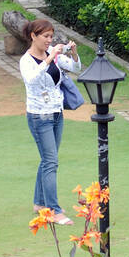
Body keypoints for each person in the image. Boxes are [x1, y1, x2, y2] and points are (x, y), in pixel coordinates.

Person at [20, 18, 81, 226]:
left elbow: (75, 67)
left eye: (51, 36)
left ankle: (39, 203)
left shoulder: (52, 56)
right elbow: (32, 80)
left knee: (47, 160)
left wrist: (72, 52)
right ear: (33, 36)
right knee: (50, 162)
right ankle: (53, 210)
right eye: (45, 36)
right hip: (39, 117)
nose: (49, 40)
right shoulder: (26, 60)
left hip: (56, 114)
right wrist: (50, 58)